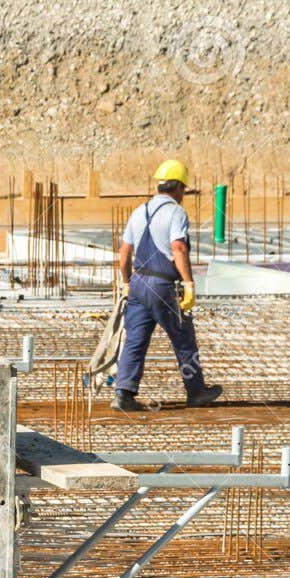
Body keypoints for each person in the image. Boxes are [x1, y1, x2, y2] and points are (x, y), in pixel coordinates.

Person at [113, 158, 223, 413]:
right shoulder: (176, 212)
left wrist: (127, 282)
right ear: (178, 188)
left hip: (139, 283)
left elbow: (124, 252)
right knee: (183, 337)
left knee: (135, 341)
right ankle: (196, 392)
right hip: (163, 285)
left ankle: (123, 395)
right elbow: (178, 247)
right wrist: (188, 283)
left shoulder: (139, 211)